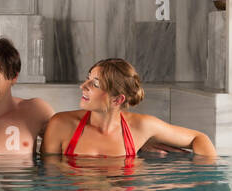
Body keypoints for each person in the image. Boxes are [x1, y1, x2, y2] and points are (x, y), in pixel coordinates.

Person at [41, 58, 217, 159]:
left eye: (95, 84)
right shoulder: (61, 125)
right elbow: (48, 177)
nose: (83, 86)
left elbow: (200, 138)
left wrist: (203, 181)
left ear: (117, 99)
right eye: (87, 79)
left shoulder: (141, 128)